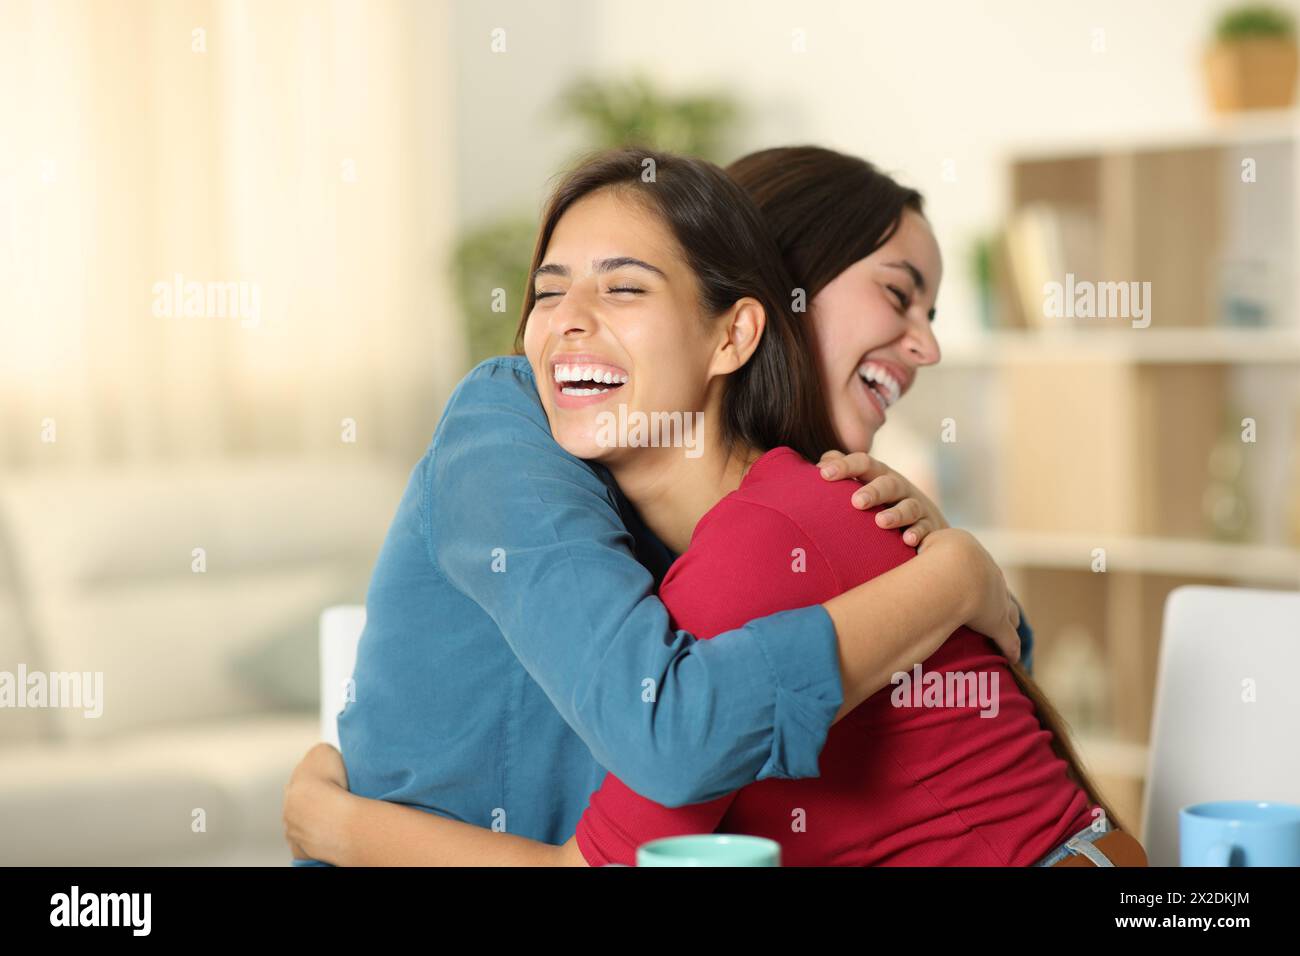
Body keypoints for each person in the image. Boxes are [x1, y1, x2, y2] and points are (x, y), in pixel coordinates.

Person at [285, 148, 1141, 866]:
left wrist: (339, 828)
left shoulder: (774, 529)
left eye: (624, 288)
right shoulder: (521, 432)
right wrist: (951, 575)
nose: (927, 343)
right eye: (895, 293)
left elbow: (652, 779)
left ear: (736, 332)